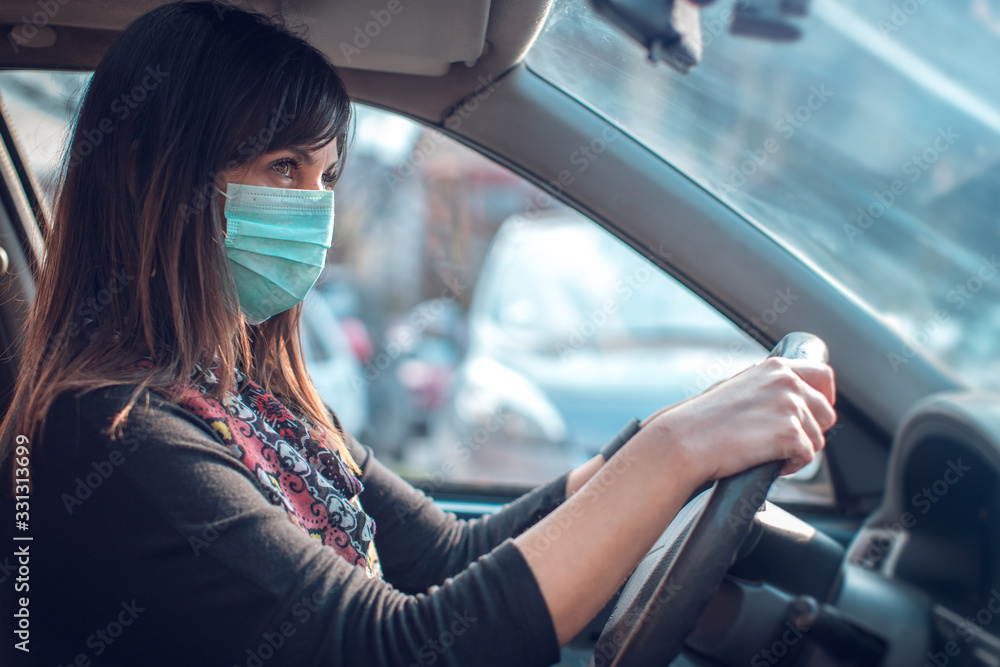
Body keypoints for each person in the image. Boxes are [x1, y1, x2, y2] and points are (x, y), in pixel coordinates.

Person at [0, 3, 837, 666]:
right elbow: (392, 648)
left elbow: (448, 554)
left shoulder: (247, 399)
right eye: (283, 169)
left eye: (327, 175)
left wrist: (657, 437)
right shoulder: (105, 436)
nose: (315, 207)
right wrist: (676, 454)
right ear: (157, 175)